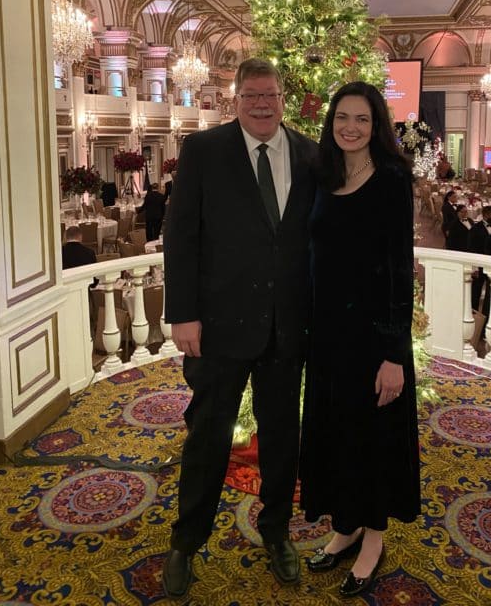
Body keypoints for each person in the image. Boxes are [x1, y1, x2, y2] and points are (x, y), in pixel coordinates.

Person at [162, 58, 317, 599]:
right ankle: (187, 541)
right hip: (217, 329)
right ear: (235, 99)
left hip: (286, 330)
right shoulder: (203, 152)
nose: (261, 104)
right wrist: (182, 313)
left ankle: (276, 533)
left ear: (282, 99)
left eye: (270, 94)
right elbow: (181, 237)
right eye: (251, 95)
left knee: (282, 439)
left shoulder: (309, 153)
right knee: (207, 437)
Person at [299, 82, 420, 600]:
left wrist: (394, 354)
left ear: (377, 126)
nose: (351, 127)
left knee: (371, 440)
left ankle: (372, 539)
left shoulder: (393, 179)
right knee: (336, 434)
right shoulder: (322, 175)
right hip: (328, 337)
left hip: (374, 338)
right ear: (331, 122)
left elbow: (398, 269)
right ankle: (345, 525)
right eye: (342, 117)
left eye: (363, 119)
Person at [468, 205, 491, 314]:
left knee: (490, 292)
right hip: (479, 264)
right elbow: (471, 248)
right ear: (486, 215)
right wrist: (474, 267)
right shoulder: (475, 229)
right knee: (476, 291)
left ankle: (486, 314)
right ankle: (473, 313)